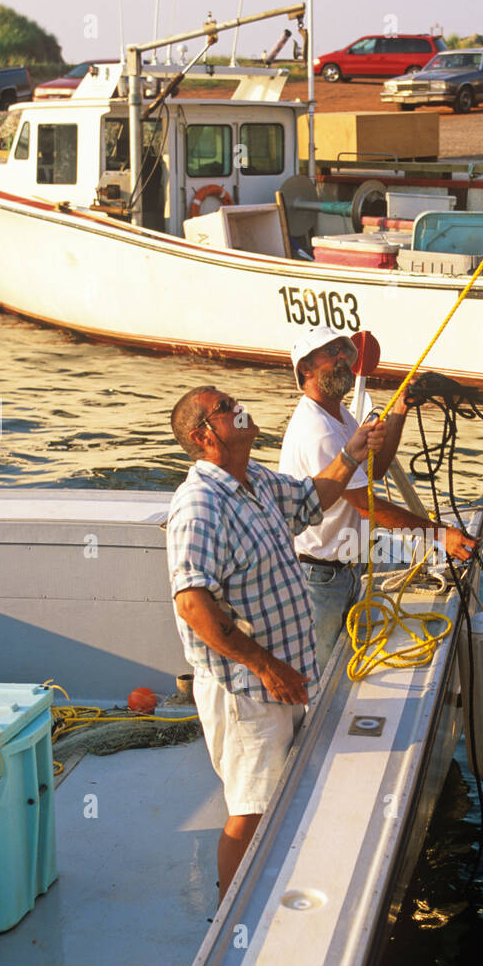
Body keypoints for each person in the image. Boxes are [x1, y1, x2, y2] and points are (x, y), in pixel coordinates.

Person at [167, 384, 387, 907]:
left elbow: (312, 498)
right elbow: (193, 605)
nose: (240, 408)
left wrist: (353, 451)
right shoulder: (199, 504)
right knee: (252, 809)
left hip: (283, 680)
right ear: (203, 436)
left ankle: (256, 895)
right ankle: (231, 917)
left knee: (276, 795)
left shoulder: (256, 480)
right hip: (246, 690)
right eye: (226, 408)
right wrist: (268, 669)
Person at [280, 325, 478, 667]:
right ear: (305, 369)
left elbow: (374, 472)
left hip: (343, 570)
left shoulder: (338, 414)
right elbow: (365, 505)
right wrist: (439, 534)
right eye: (331, 353)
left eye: (344, 351)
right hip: (319, 578)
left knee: (337, 664)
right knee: (320, 673)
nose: (342, 358)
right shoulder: (317, 430)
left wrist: (400, 406)